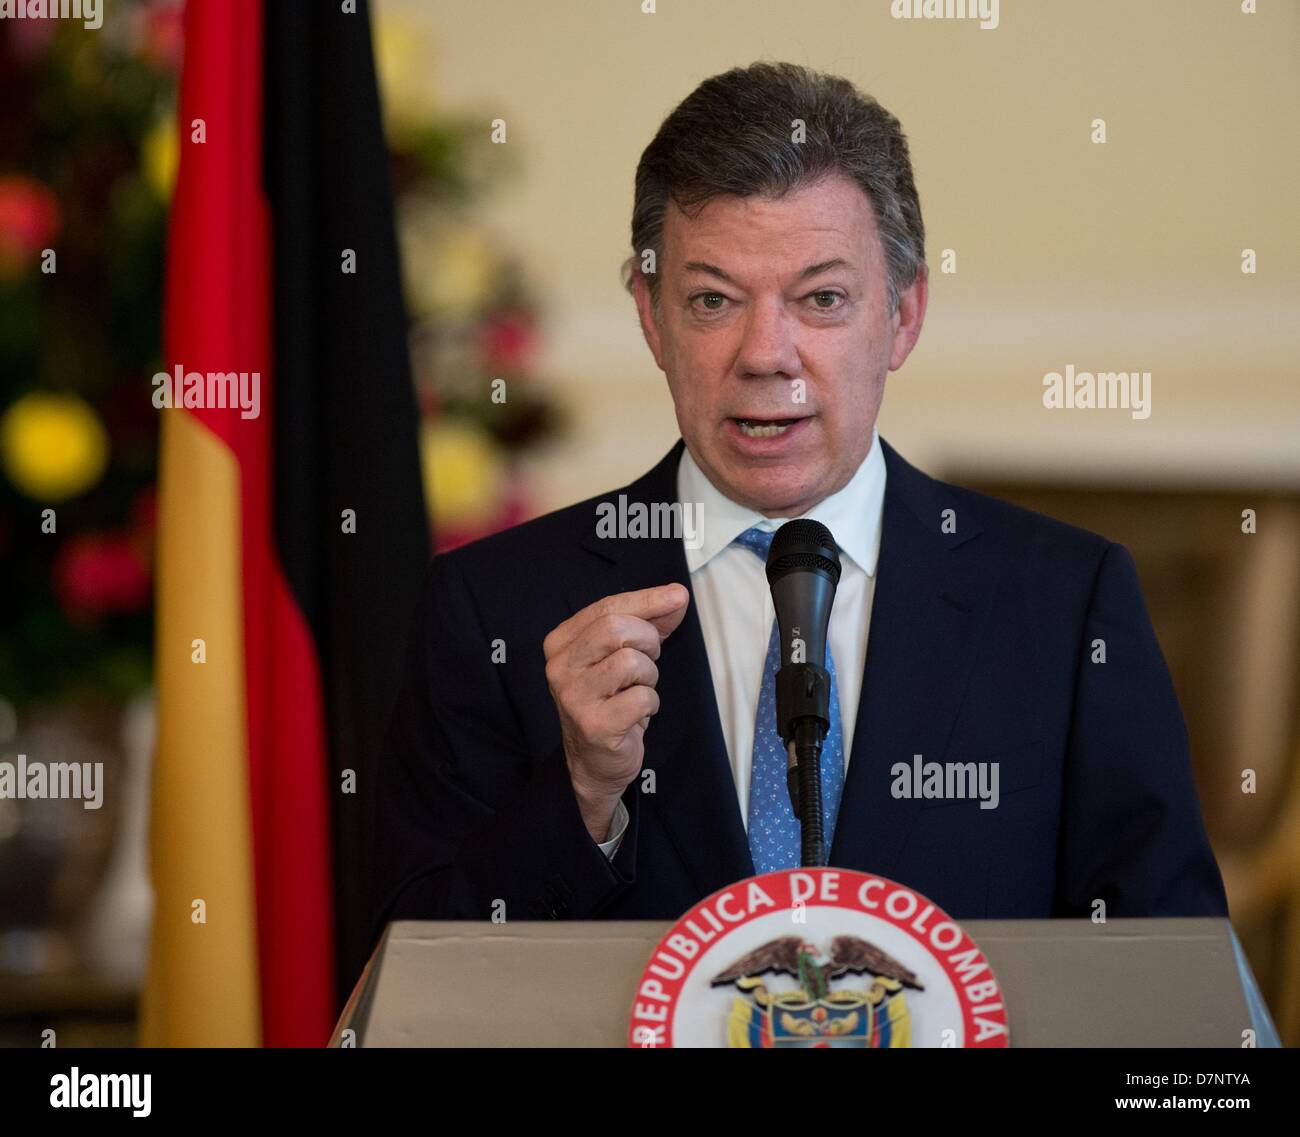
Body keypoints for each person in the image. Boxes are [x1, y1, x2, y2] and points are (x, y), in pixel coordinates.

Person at [370, 61, 1227, 937]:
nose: (766, 353)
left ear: (903, 314)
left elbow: (1169, 978)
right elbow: (413, 975)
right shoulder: (492, 608)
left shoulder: (1064, 603)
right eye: (712, 300)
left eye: (821, 298)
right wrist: (582, 796)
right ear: (650, 314)